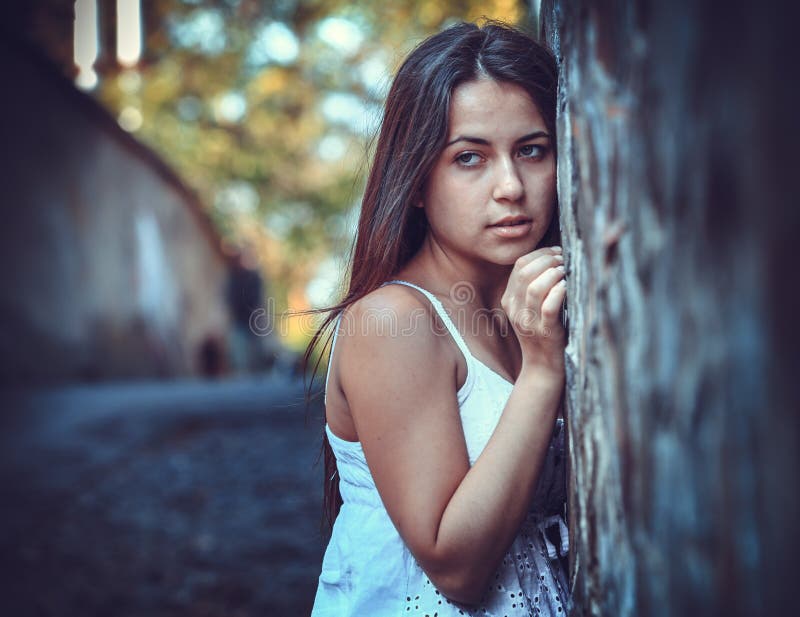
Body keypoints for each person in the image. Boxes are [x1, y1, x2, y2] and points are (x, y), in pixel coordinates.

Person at [306, 20, 570, 616]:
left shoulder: (530, 303)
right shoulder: (391, 322)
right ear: (418, 181)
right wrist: (541, 371)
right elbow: (455, 566)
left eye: (532, 150)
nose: (510, 186)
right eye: (470, 158)